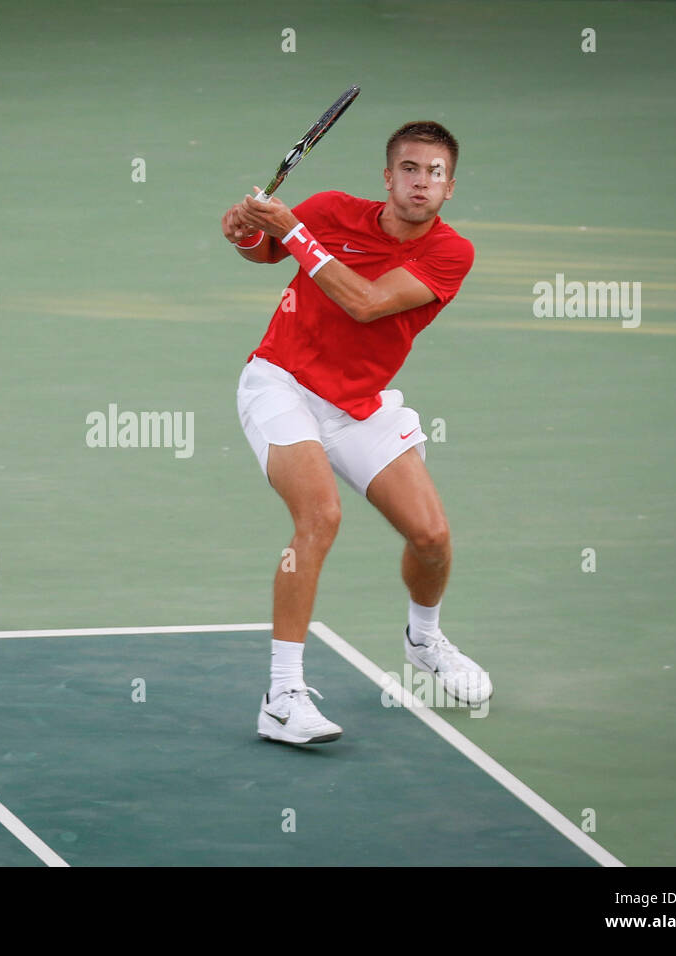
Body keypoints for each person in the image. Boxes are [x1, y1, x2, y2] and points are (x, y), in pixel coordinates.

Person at [222, 121, 492, 745]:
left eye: (435, 173)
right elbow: (259, 251)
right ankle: (282, 695)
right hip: (280, 383)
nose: (421, 182)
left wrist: (291, 231)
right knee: (319, 515)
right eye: (409, 169)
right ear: (388, 177)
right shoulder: (330, 212)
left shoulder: (451, 252)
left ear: (450, 188)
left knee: (431, 536)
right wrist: (242, 230)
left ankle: (423, 641)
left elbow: (366, 302)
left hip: (358, 405)